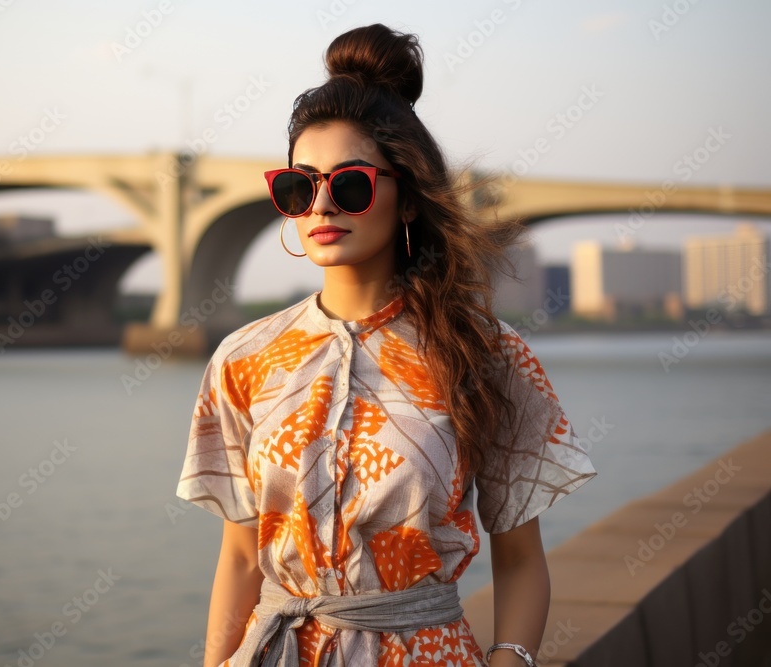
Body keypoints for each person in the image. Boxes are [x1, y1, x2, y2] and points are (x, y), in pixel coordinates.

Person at [175, 23, 598, 667]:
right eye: (300, 186)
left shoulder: (483, 352)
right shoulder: (244, 357)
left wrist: (510, 659)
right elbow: (239, 557)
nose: (321, 205)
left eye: (349, 185)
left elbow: (519, 559)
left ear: (405, 198)